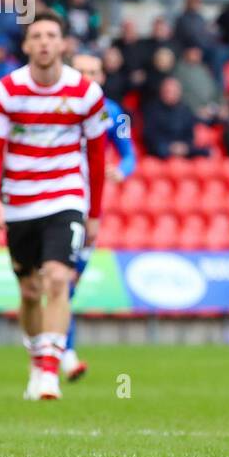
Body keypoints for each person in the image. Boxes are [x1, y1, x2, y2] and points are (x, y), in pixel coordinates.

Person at [0, 11, 109, 400]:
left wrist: (95, 213)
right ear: (26, 45)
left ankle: (51, 370)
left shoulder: (86, 93)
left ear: (63, 43)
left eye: (52, 35)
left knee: (57, 279)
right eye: (37, 36)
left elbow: (99, 159)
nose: (45, 42)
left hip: (65, 197)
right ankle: (37, 361)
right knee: (30, 291)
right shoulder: (6, 91)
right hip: (19, 203)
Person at [62, 53, 137, 382]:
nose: (88, 77)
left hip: (90, 206)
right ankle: (64, 354)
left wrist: (120, 171)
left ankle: (51, 345)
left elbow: (129, 155)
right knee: (61, 281)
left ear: (102, 76)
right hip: (57, 199)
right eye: (81, 71)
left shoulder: (114, 113)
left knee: (71, 282)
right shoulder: (57, 106)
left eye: (93, 72)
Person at [141, 77, 206, 159]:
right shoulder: (152, 110)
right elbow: (149, 136)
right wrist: (170, 147)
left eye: (173, 92)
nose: (170, 94)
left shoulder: (185, 110)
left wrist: (183, 147)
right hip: (161, 150)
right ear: (161, 92)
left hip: (182, 149)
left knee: (205, 152)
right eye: (167, 91)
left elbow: (189, 135)